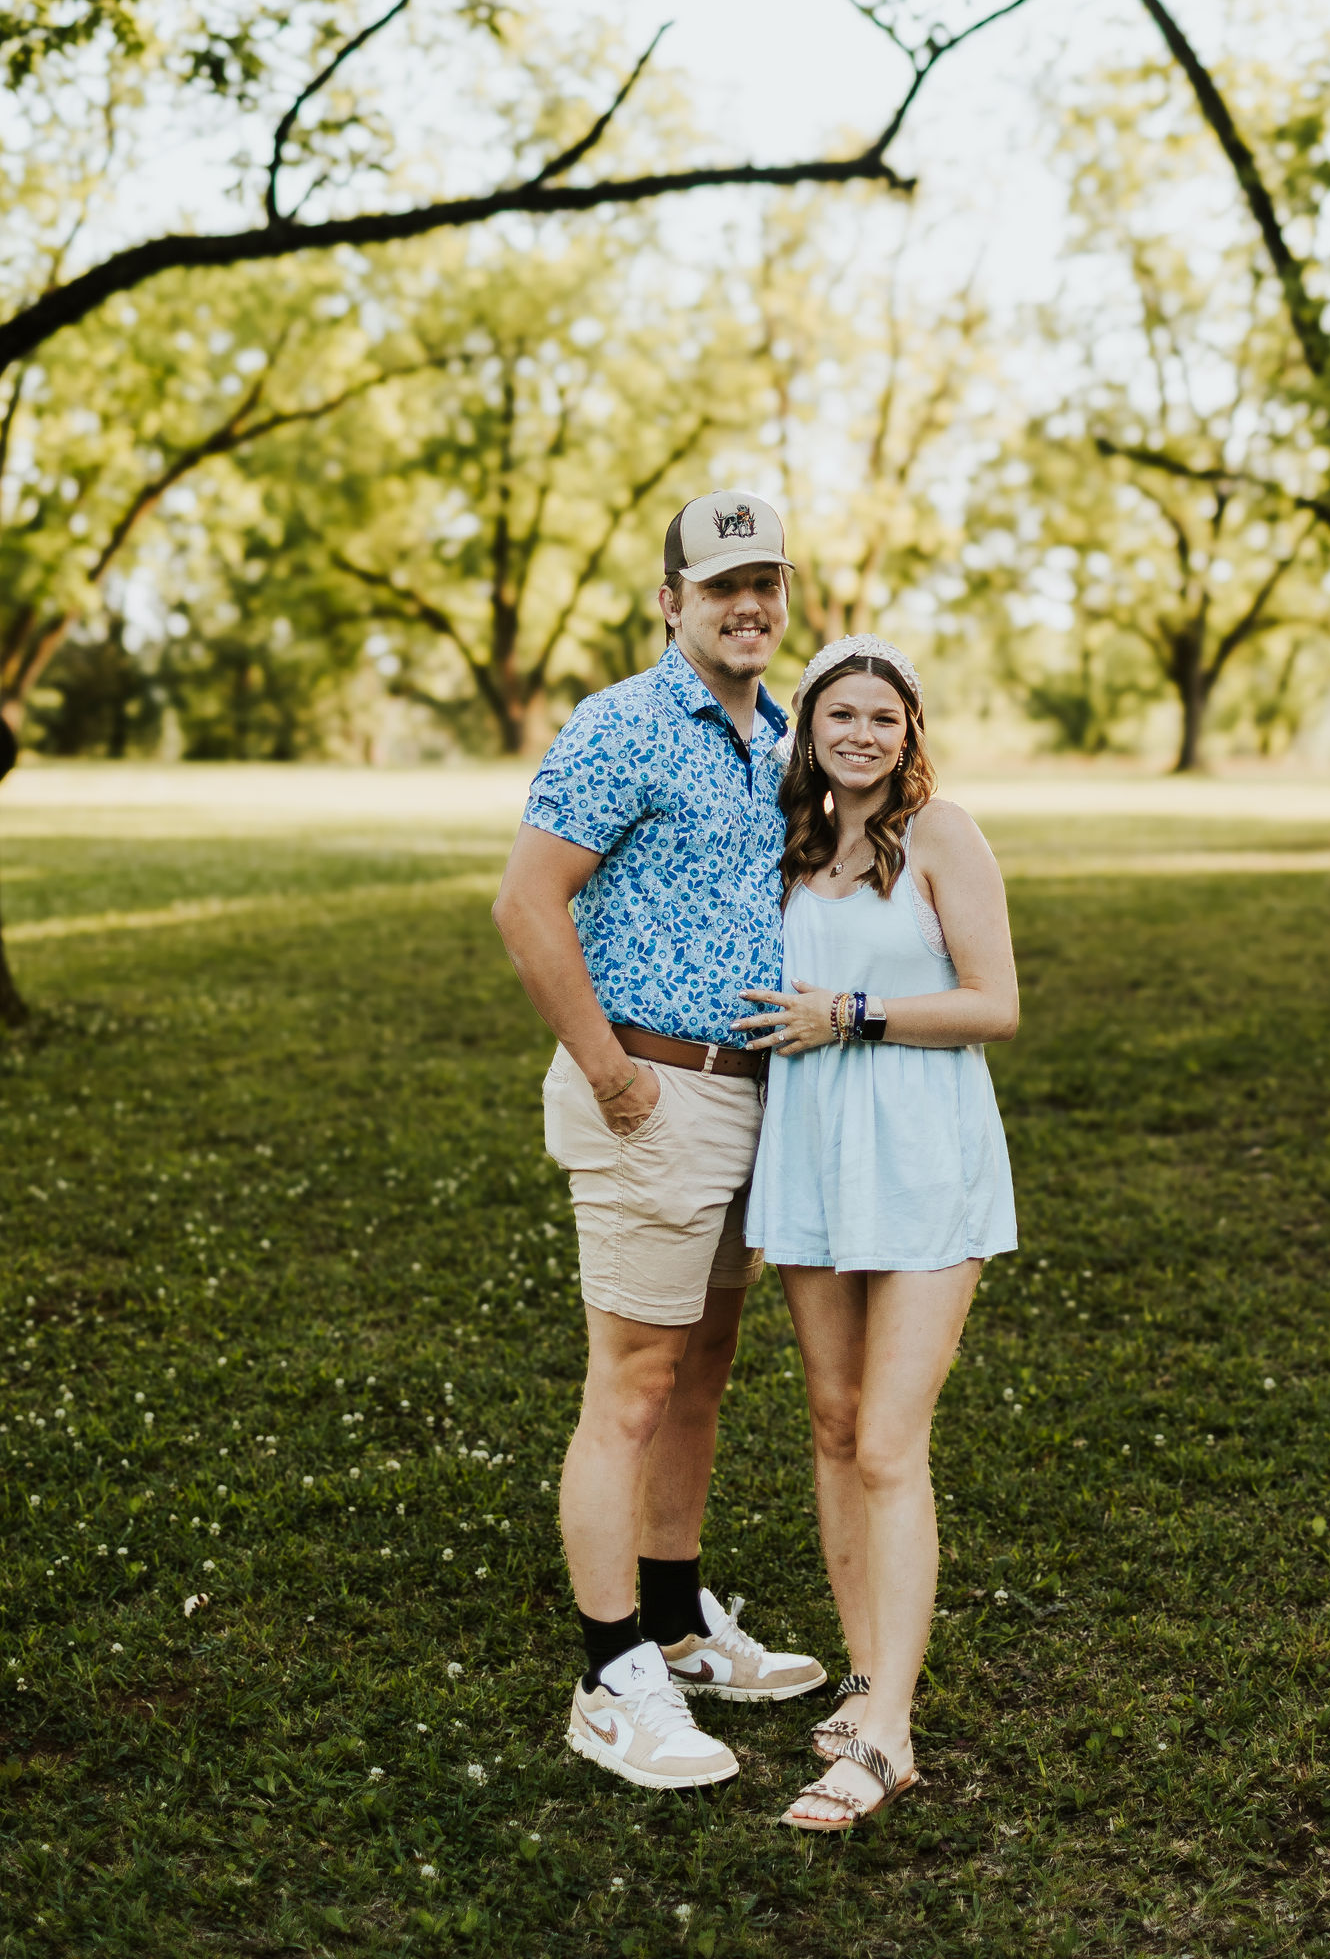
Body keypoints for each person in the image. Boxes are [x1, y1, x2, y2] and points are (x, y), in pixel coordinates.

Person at [492, 490, 826, 1793]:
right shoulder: (621, 724)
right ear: (671, 601)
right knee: (631, 1384)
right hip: (651, 1092)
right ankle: (608, 1676)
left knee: (701, 1371)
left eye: (765, 583)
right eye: (722, 585)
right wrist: (609, 1073)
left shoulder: (783, 736)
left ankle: (680, 1625)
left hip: (753, 1099)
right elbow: (527, 902)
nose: (748, 606)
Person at [734, 634, 1019, 1830]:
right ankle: (862, 1680)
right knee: (834, 1425)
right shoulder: (792, 844)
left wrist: (850, 1012)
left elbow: (995, 1005)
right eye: (839, 715)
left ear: (909, 736)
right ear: (807, 728)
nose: (860, 735)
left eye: (882, 718)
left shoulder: (942, 834)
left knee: (891, 1445)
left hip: (922, 1160)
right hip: (815, 1161)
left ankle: (888, 1735)